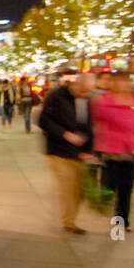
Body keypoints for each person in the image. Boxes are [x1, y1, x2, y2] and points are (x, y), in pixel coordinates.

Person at [37, 70, 95, 234]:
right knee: (68, 187)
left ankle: (70, 218)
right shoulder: (56, 96)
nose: (84, 95)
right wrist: (65, 134)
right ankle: (69, 222)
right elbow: (43, 121)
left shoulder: (87, 100)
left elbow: (89, 127)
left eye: (88, 92)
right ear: (76, 84)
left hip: (78, 152)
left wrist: (88, 150)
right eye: (83, 91)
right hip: (58, 151)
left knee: (79, 190)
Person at [91, 71, 134, 230]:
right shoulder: (104, 103)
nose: (127, 85)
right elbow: (95, 123)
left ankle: (122, 221)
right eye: (123, 82)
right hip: (112, 152)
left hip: (131, 153)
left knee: (126, 189)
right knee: (110, 187)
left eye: (129, 82)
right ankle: (105, 204)